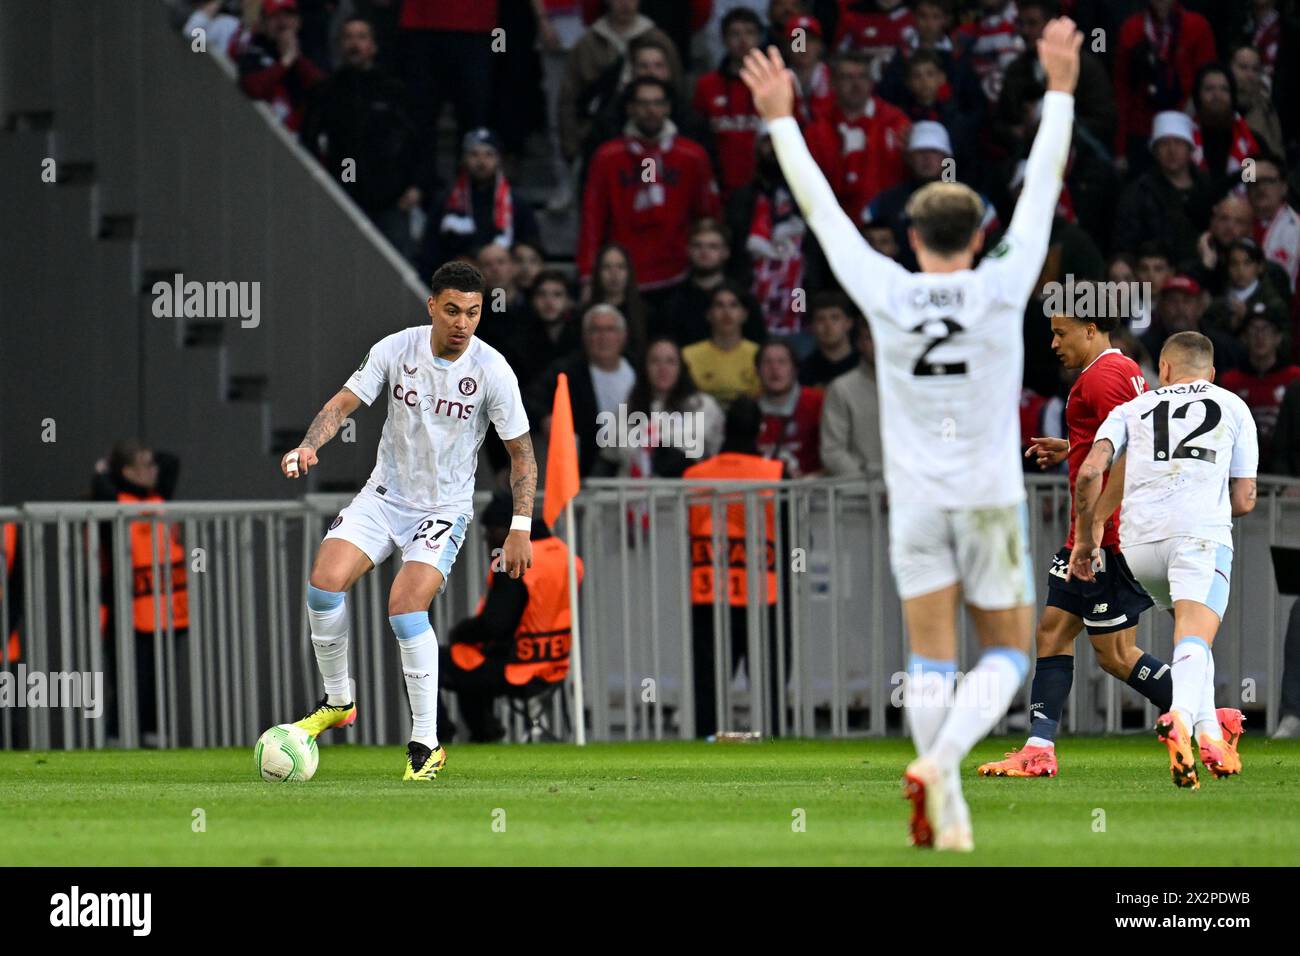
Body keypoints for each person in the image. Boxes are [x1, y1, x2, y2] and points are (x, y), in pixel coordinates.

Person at [741, 16, 1080, 850]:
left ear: (915, 238)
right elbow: (1040, 189)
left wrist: (782, 117)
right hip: (991, 497)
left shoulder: (886, 290)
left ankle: (948, 803)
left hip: (917, 500)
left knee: (930, 658)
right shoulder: (1003, 285)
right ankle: (945, 764)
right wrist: (1062, 89)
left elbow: (820, 214)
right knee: (1004, 652)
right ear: (977, 239)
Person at [279, 261, 537, 781]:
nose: (462, 323)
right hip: (385, 494)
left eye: (473, 312)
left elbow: (522, 455)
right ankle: (339, 700)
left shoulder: (493, 370)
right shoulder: (396, 349)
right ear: (431, 308)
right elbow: (343, 403)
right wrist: (308, 445)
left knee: (404, 604)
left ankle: (426, 742)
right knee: (324, 584)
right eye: (452, 311)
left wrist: (520, 527)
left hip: (443, 508)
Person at [978, 304, 1171, 779]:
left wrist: (1095, 530)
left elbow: (1132, 453)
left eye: (1061, 333)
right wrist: (1072, 447)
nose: (1053, 343)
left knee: (1117, 656)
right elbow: (1117, 442)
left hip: (1102, 537)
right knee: (1052, 632)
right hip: (1090, 536)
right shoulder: (1117, 369)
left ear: (1090, 329)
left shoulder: (1105, 376)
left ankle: (1206, 715)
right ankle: (1039, 746)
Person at [1071, 331, 1257, 788]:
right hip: (1198, 538)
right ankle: (1179, 717)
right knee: (1194, 636)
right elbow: (1246, 498)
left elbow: (1092, 471)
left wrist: (1086, 535)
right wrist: (1206, 506)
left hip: (1139, 547)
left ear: (1165, 370)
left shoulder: (1131, 409)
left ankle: (1211, 736)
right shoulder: (1232, 404)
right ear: (1210, 374)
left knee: (1194, 637)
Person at [439, 493, 583, 743]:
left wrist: (460, 632)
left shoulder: (515, 560)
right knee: (467, 658)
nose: (487, 539)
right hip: (555, 663)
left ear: (506, 530)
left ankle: (442, 735)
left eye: (491, 531)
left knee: (433, 662)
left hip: (517, 667)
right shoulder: (565, 554)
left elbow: (496, 625)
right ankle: (485, 731)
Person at [683, 397, 784, 738]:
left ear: (724, 428)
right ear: (760, 429)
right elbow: (791, 535)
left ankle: (706, 740)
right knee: (769, 678)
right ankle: (771, 738)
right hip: (762, 593)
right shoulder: (775, 474)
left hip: (708, 590)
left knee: (708, 680)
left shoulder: (695, 475)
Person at [577, 77, 722, 297]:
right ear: (630, 108)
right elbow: (592, 219)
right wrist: (588, 274)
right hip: (625, 279)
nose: (651, 110)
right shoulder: (607, 157)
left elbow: (707, 216)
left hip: (679, 274)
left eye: (657, 103)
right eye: (643, 104)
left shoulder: (692, 156)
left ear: (668, 108)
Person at [300, 17, 421, 261]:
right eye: (348, 37)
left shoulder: (394, 90)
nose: (354, 44)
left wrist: (417, 185)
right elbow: (309, 142)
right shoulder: (327, 90)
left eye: (362, 37)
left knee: (396, 270)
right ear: (340, 45)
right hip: (342, 201)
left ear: (374, 46)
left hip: (390, 200)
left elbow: (417, 140)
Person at [92, 441, 188, 745]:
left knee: (157, 681)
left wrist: (140, 458)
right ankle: (115, 736)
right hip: (125, 611)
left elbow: (171, 459)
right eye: (144, 466)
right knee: (127, 680)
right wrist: (105, 470)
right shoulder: (115, 502)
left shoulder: (159, 497)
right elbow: (101, 486)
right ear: (127, 472)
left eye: (151, 464)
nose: (153, 470)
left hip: (163, 609)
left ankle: (153, 736)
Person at [528, 304, 637, 478]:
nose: (603, 337)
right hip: (584, 471)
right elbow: (531, 400)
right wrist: (545, 418)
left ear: (623, 336)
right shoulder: (567, 371)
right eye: (595, 330)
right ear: (585, 337)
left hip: (632, 470)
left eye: (610, 329)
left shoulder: (639, 370)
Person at [803, 49, 910, 223]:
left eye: (862, 77)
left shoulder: (896, 121)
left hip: (888, 227)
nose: (856, 84)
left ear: (871, 82)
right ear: (833, 83)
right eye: (847, 78)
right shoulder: (816, 129)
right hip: (834, 223)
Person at [1112, 111, 1214, 266]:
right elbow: (1125, 244)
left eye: (1179, 143)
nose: (1172, 150)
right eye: (1164, 144)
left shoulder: (1209, 187)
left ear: (1190, 149)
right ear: (1155, 151)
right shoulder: (1138, 193)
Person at [617, 338, 726, 478]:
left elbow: (717, 453)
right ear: (644, 368)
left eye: (670, 361)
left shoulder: (704, 406)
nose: (663, 368)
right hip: (633, 495)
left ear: (681, 368)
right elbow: (609, 458)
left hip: (684, 493)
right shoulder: (628, 406)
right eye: (655, 361)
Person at [434, 129, 540, 266]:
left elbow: (530, 242)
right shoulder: (446, 201)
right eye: (474, 154)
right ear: (464, 160)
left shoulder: (516, 202)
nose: (481, 161)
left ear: (499, 160)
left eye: (489, 155)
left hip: (504, 279)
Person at [694, 8, 765, 199]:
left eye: (749, 33)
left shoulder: (772, 84)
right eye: (735, 33)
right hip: (720, 185)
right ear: (724, 40)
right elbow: (698, 137)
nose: (743, 40)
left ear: (759, 38)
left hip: (764, 187)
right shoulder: (706, 85)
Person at [1218, 314, 1300, 465]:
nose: (1260, 337)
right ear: (1244, 338)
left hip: (1289, 466)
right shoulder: (1229, 381)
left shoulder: (1295, 378)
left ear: (1278, 337)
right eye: (1253, 330)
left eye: (1266, 330)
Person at [237, 0, 326, 132]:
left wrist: (297, 58)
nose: (282, 22)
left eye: (288, 15)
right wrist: (285, 62)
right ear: (264, 23)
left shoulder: (311, 49)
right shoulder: (254, 51)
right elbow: (253, 87)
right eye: (275, 16)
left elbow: (324, 89)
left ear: (298, 21)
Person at [819, 315, 883, 477]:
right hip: (860, 494)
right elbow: (832, 451)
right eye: (869, 338)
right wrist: (870, 489)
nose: (877, 344)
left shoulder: (913, 386)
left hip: (913, 491)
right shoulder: (841, 388)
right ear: (859, 344)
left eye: (882, 335)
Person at [682, 283, 763, 408]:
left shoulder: (760, 355)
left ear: (744, 315)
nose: (727, 312)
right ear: (709, 314)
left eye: (733, 305)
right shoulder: (688, 355)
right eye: (719, 305)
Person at [756, 338, 823, 477]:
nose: (774, 368)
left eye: (782, 362)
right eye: (767, 362)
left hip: (814, 490)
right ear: (757, 370)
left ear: (795, 369)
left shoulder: (818, 402)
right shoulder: (749, 410)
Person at [798, 291, 858, 386]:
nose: (828, 325)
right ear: (812, 326)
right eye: (820, 319)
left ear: (849, 323)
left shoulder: (864, 364)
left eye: (835, 318)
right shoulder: (803, 370)